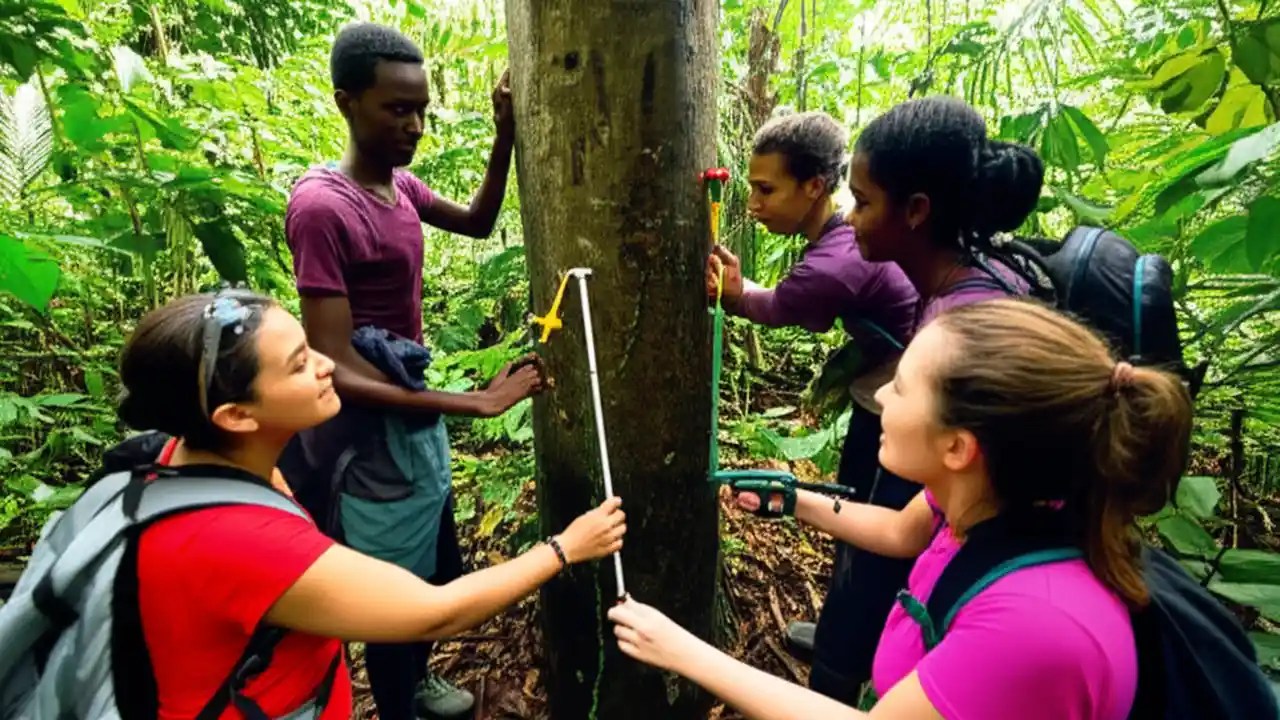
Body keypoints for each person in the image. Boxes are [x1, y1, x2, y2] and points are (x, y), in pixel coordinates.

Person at [609, 298, 1194, 720]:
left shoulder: (1036, 627)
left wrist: (681, 650)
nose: (883, 394)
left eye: (903, 387)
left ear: (959, 447)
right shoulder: (993, 497)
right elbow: (897, 531)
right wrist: (794, 500)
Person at [118, 291, 626, 719]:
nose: (329, 365)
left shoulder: (183, 458)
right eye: (301, 363)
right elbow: (434, 613)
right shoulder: (238, 542)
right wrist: (566, 548)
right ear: (235, 415)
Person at [282, 22, 532, 719]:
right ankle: (398, 703)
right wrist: (477, 402)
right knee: (391, 587)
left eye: (421, 109)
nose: (414, 125)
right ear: (345, 102)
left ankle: (415, 683)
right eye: (397, 109)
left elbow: (480, 223)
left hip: (412, 407)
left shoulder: (399, 187)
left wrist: (505, 132)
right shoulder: (322, 207)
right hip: (368, 432)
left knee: (436, 563)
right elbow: (330, 360)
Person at [702, 111, 917, 698]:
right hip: (888, 392)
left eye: (766, 189)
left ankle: (841, 671)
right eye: (749, 187)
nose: (753, 203)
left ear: (814, 187)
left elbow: (784, 306)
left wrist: (736, 292)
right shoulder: (841, 239)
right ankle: (845, 638)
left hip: (907, 406)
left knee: (876, 533)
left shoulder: (838, 258)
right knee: (858, 515)